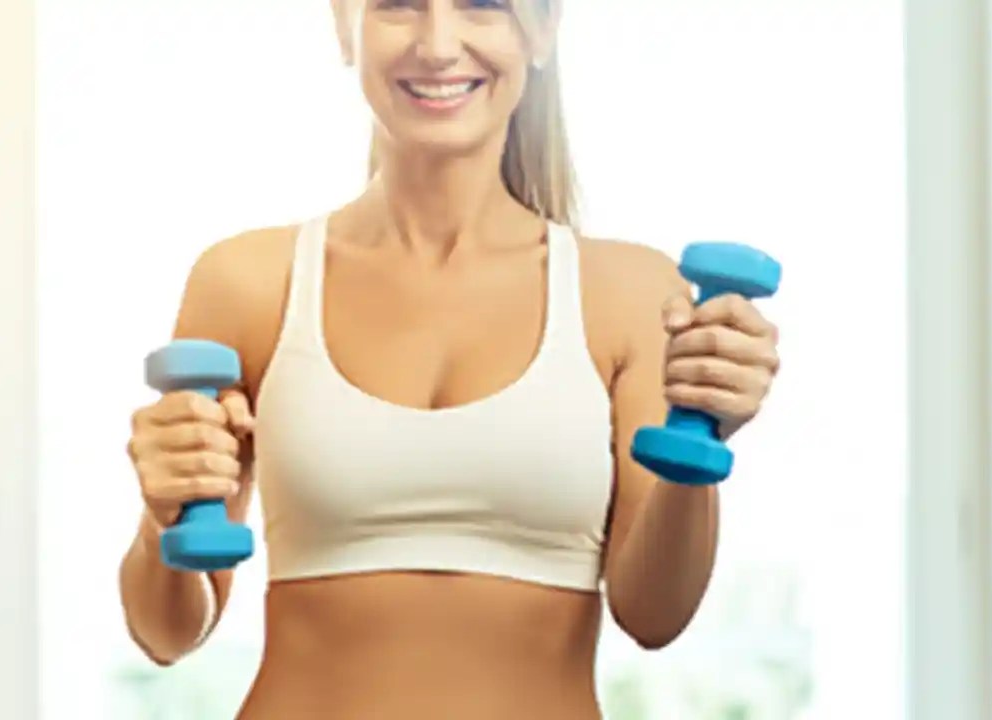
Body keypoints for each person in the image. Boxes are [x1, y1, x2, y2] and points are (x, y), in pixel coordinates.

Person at [118, 0, 781, 718]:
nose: (438, 44)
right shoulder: (248, 281)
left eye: (482, 4)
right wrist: (162, 517)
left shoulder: (629, 294)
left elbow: (655, 615)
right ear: (346, 26)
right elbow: (167, 632)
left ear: (541, 30)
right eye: (400, 4)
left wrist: (703, 435)